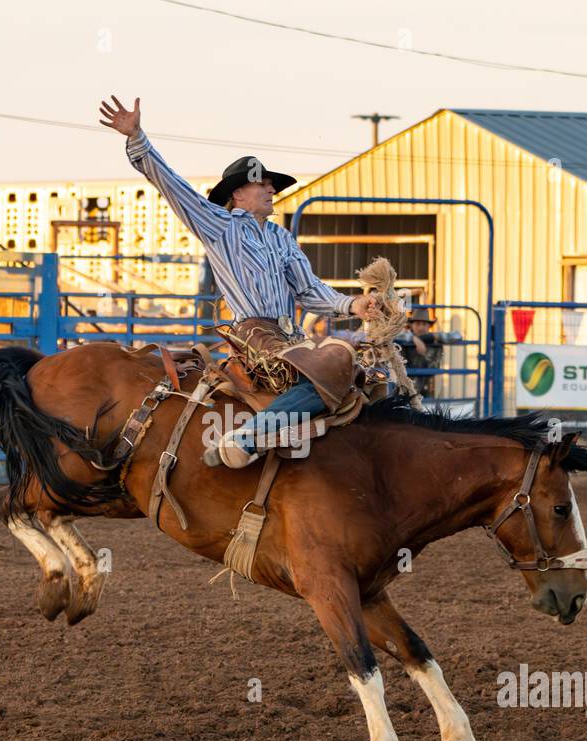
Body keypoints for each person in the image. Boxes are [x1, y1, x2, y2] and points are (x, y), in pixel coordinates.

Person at [100, 95, 380, 468]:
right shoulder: (221, 226)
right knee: (328, 372)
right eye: (262, 184)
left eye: (271, 185)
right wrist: (137, 138)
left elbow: (310, 290)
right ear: (237, 194)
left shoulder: (281, 236)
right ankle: (246, 439)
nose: (271, 190)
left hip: (290, 336)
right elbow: (175, 188)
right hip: (255, 335)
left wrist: (352, 305)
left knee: (368, 377)